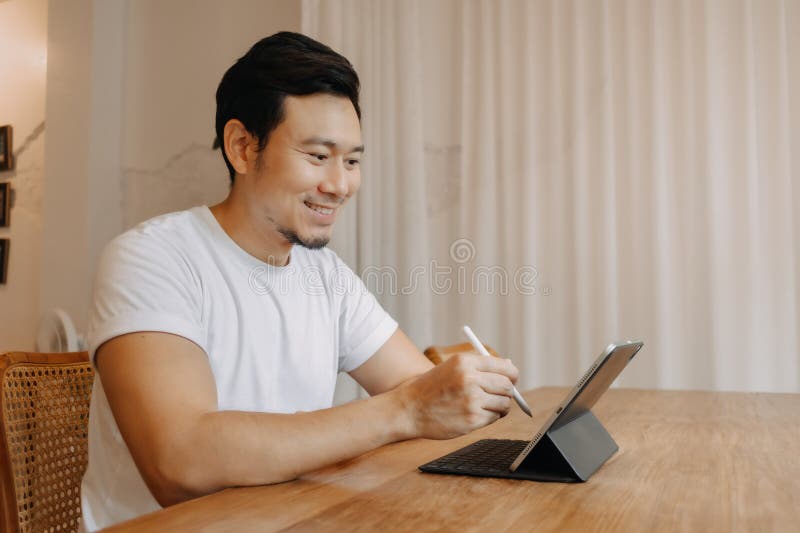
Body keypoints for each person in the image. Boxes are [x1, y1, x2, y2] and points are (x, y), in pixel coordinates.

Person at [79, 31, 519, 531]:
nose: (339, 184)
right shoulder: (153, 259)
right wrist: (407, 411)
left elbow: (416, 389)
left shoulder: (326, 276)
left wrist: (457, 395)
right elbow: (181, 464)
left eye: (352, 161)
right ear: (243, 148)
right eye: (317, 156)